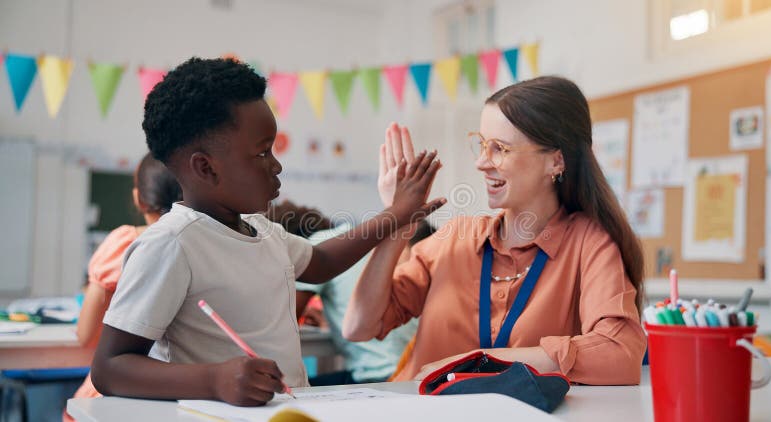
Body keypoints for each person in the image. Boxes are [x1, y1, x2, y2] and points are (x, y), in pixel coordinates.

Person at [89, 57, 445, 407]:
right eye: (261, 153)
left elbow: (320, 261)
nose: (276, 165)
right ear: (205, 167)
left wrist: (395, 215)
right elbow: (110, 369)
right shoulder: (172, 244)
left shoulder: (260, 230)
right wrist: (214, 380)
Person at [343, 76, 647, 385]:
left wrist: (477, 363)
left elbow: (619, 354)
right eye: (482, 144)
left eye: (499, 148)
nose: (481, 162)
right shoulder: (455, 237)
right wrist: (399, 221)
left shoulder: (589, 242)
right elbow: (359, 327)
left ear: (555, 162)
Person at [63, 152, 182, 422]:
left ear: (138, 198)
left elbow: (84, 335)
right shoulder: (201, 242)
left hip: (118, 387)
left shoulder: (122, 243)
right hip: (181, 392)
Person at [269, 201, 434, 385]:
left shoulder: (317, 246)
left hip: (377, 377)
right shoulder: (361, 241)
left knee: (290, 390)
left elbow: (286, 322)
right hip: (418, 373)